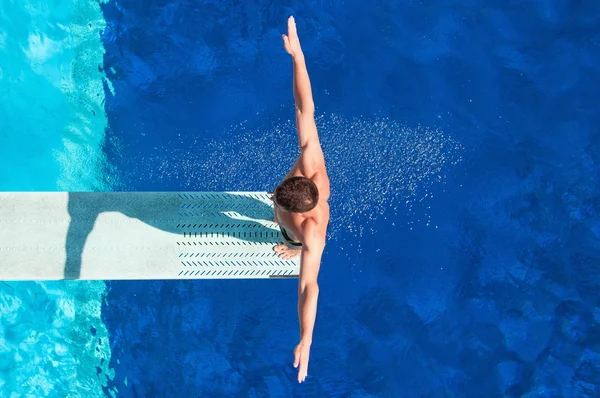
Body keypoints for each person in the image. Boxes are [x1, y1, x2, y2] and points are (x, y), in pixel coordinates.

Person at [271, 16, 330, 384]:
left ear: (298, 211)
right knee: (305, 118)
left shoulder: (312, 232)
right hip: (301, 209)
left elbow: (310, 287)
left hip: (298, 237)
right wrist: (298, 58)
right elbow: (304, 107)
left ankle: (289, 245)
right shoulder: (311, 165)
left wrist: (306, 339)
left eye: (280, 204)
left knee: (300, 249)